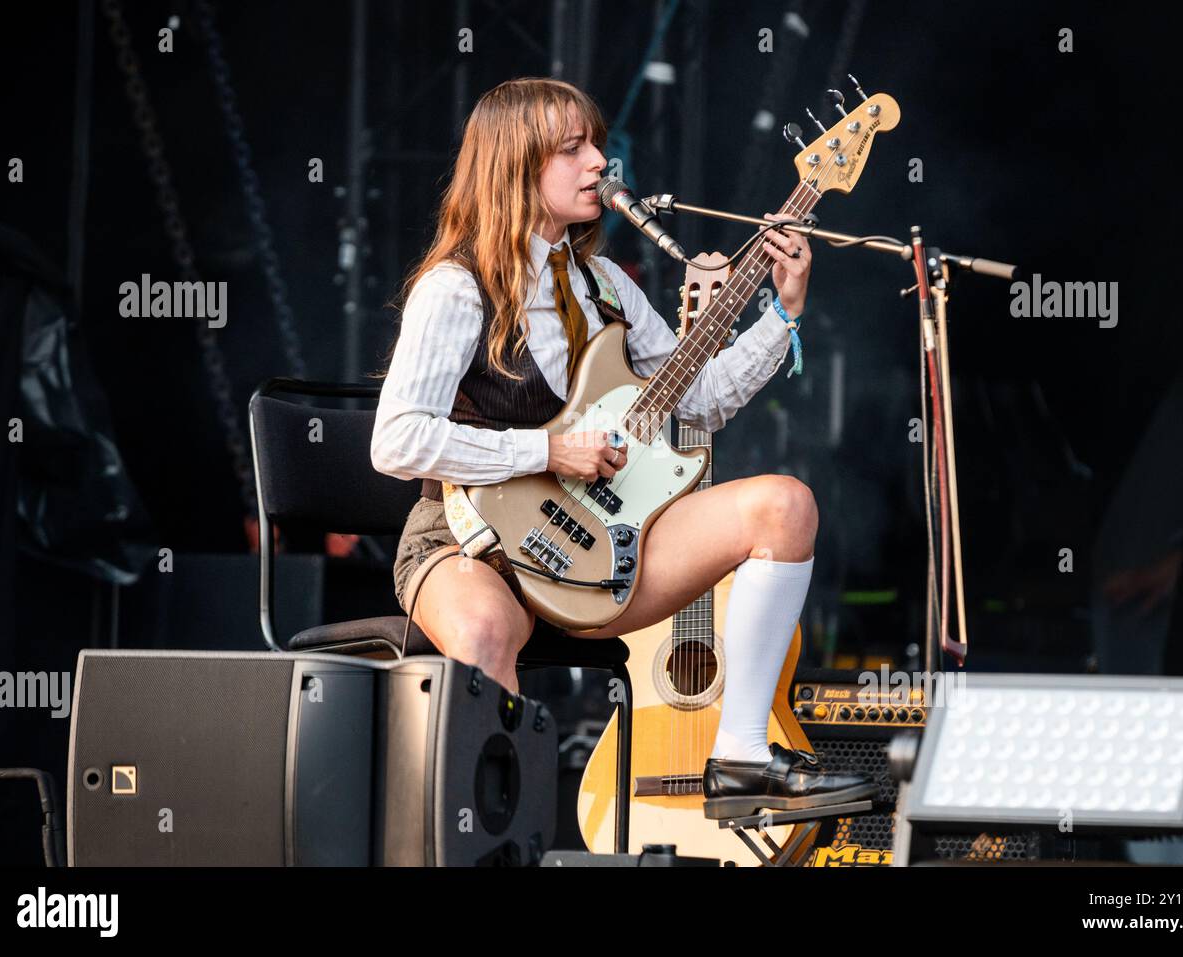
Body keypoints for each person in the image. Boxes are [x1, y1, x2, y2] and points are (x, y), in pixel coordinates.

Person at [371, 77, 867, 804]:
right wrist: (548, 452)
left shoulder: (605, 283)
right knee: (481, 633)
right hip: (467, 539)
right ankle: (491, 840)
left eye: (595, 144)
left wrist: (782, 312)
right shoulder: (455, 287)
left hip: (601, 541)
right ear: (515, 164)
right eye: (573, 149)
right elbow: (397, 440)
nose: (601, 161)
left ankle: (741, 756)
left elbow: (698, 400)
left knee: (784, 507)